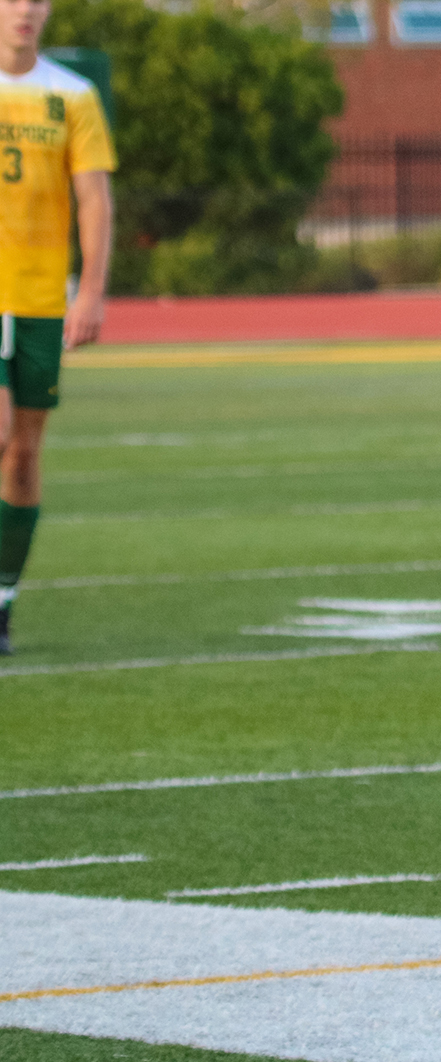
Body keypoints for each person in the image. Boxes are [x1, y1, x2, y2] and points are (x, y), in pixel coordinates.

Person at [0, 0, 115, 655]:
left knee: (22, 459)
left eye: (36, 0)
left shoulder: (71, 96)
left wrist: (91, 291)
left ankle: (4, 596)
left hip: (42, 301)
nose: (25, 10)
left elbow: (93, 195)